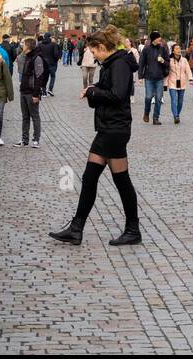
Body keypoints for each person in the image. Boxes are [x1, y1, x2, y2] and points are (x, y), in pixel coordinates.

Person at [49, 26, 142, 246]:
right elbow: (107, 88)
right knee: (96, 178)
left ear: (102, 47)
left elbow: (118, 94)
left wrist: (93, 92)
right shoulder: (113, 63)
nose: (94, 56)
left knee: (118, 181)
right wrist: (93, 88)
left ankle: (131, 229)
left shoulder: (118, 64)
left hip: (114, 129)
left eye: (94, 51)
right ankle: (77, 228)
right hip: (110, 128)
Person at [18, 36, 46, 148]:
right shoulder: (26, 56)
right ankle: (25, 140)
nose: (22, 46)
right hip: (23, 90)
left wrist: (36, 94)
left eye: (24, 44)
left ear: (28, 46)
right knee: (25, 116)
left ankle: (36, 139)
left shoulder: (37, 58)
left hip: (31, 92)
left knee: (34, 116)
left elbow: (39, 77)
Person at [166, 43, 192, 124]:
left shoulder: (184, 60)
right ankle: (176, 116)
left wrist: (190, 78)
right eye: (176, 49)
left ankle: (177, 114)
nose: (178, 50)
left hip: (182, 83)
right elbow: (166, 73)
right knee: (174, 100)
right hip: (172, 82)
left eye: (179, 48)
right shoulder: (169, 61)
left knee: (180, 102)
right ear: (173, 51)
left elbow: (188, 70)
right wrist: (165, 84)